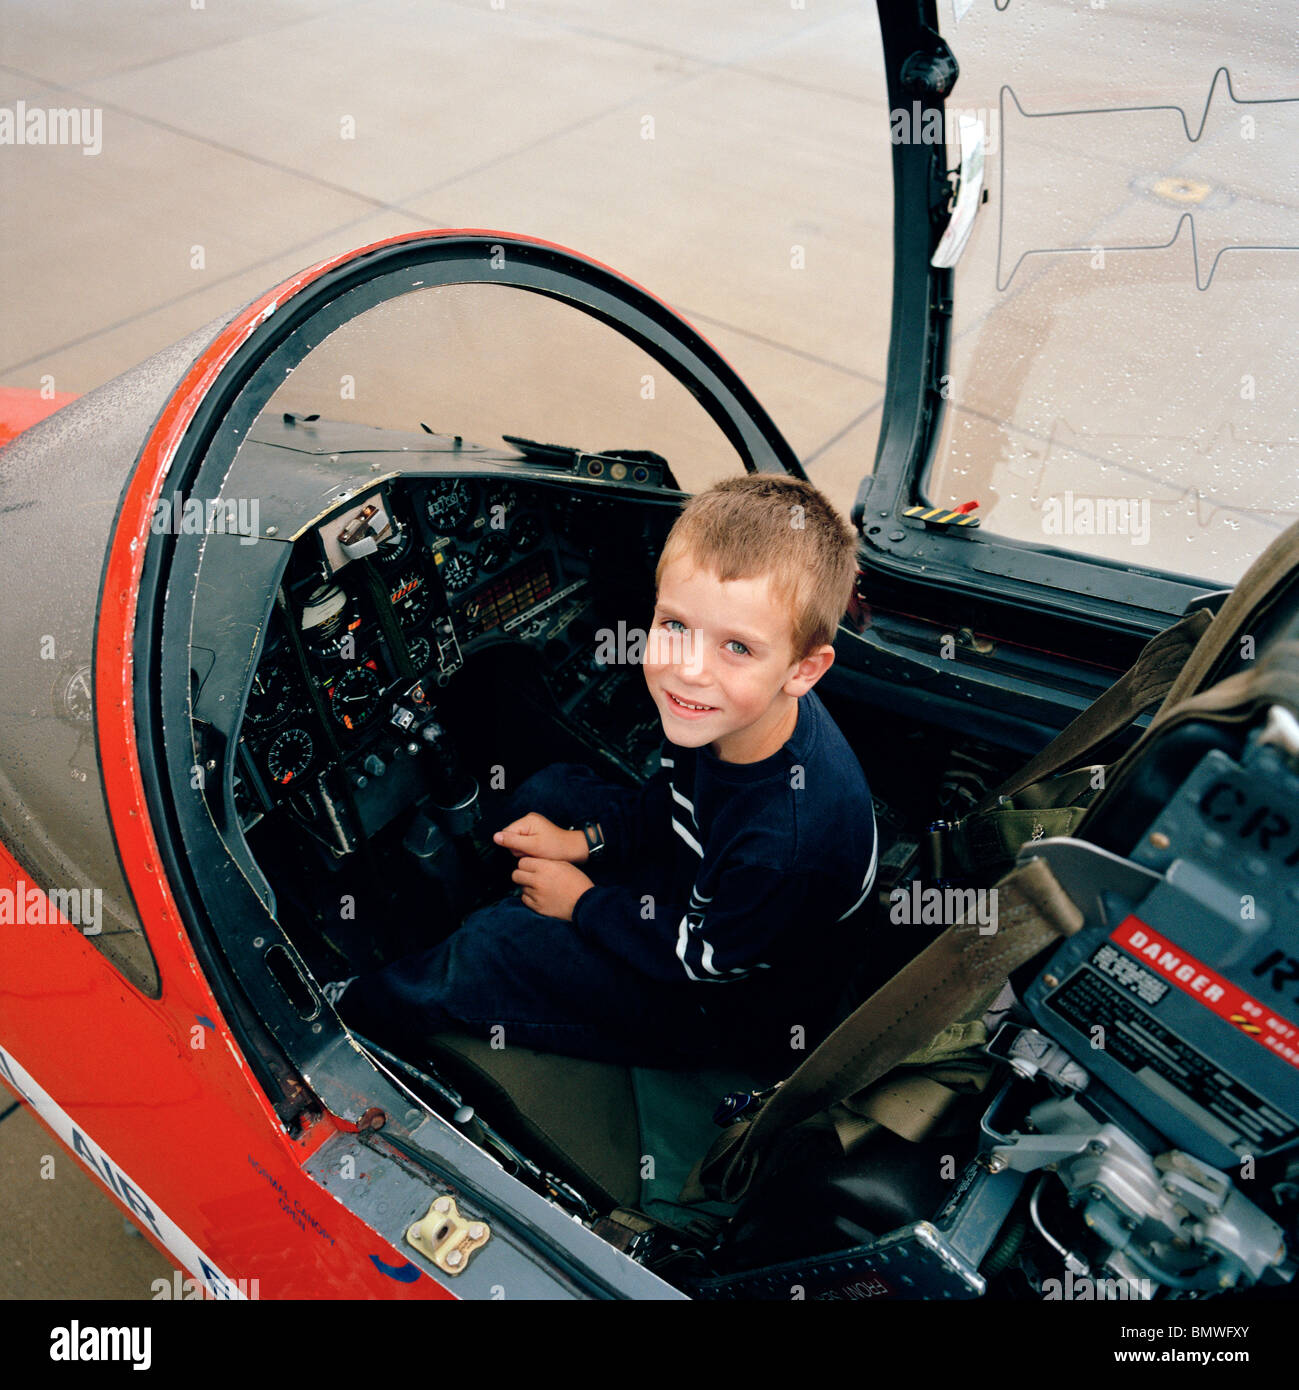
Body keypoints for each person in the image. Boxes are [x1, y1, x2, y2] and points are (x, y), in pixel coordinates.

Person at [334, 474, 877, 1071]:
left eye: (737, 648)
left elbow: (702, 958)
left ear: (803, 670)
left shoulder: (787, 843)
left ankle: (348, 1016)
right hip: (704, 891)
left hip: (724, 1007)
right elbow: (672, 802)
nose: (689, 669)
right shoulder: (726, 714)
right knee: (550, 791)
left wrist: (584, 905)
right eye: (675, 626)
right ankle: (508, 907)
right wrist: (582, 842)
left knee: (496, 946)